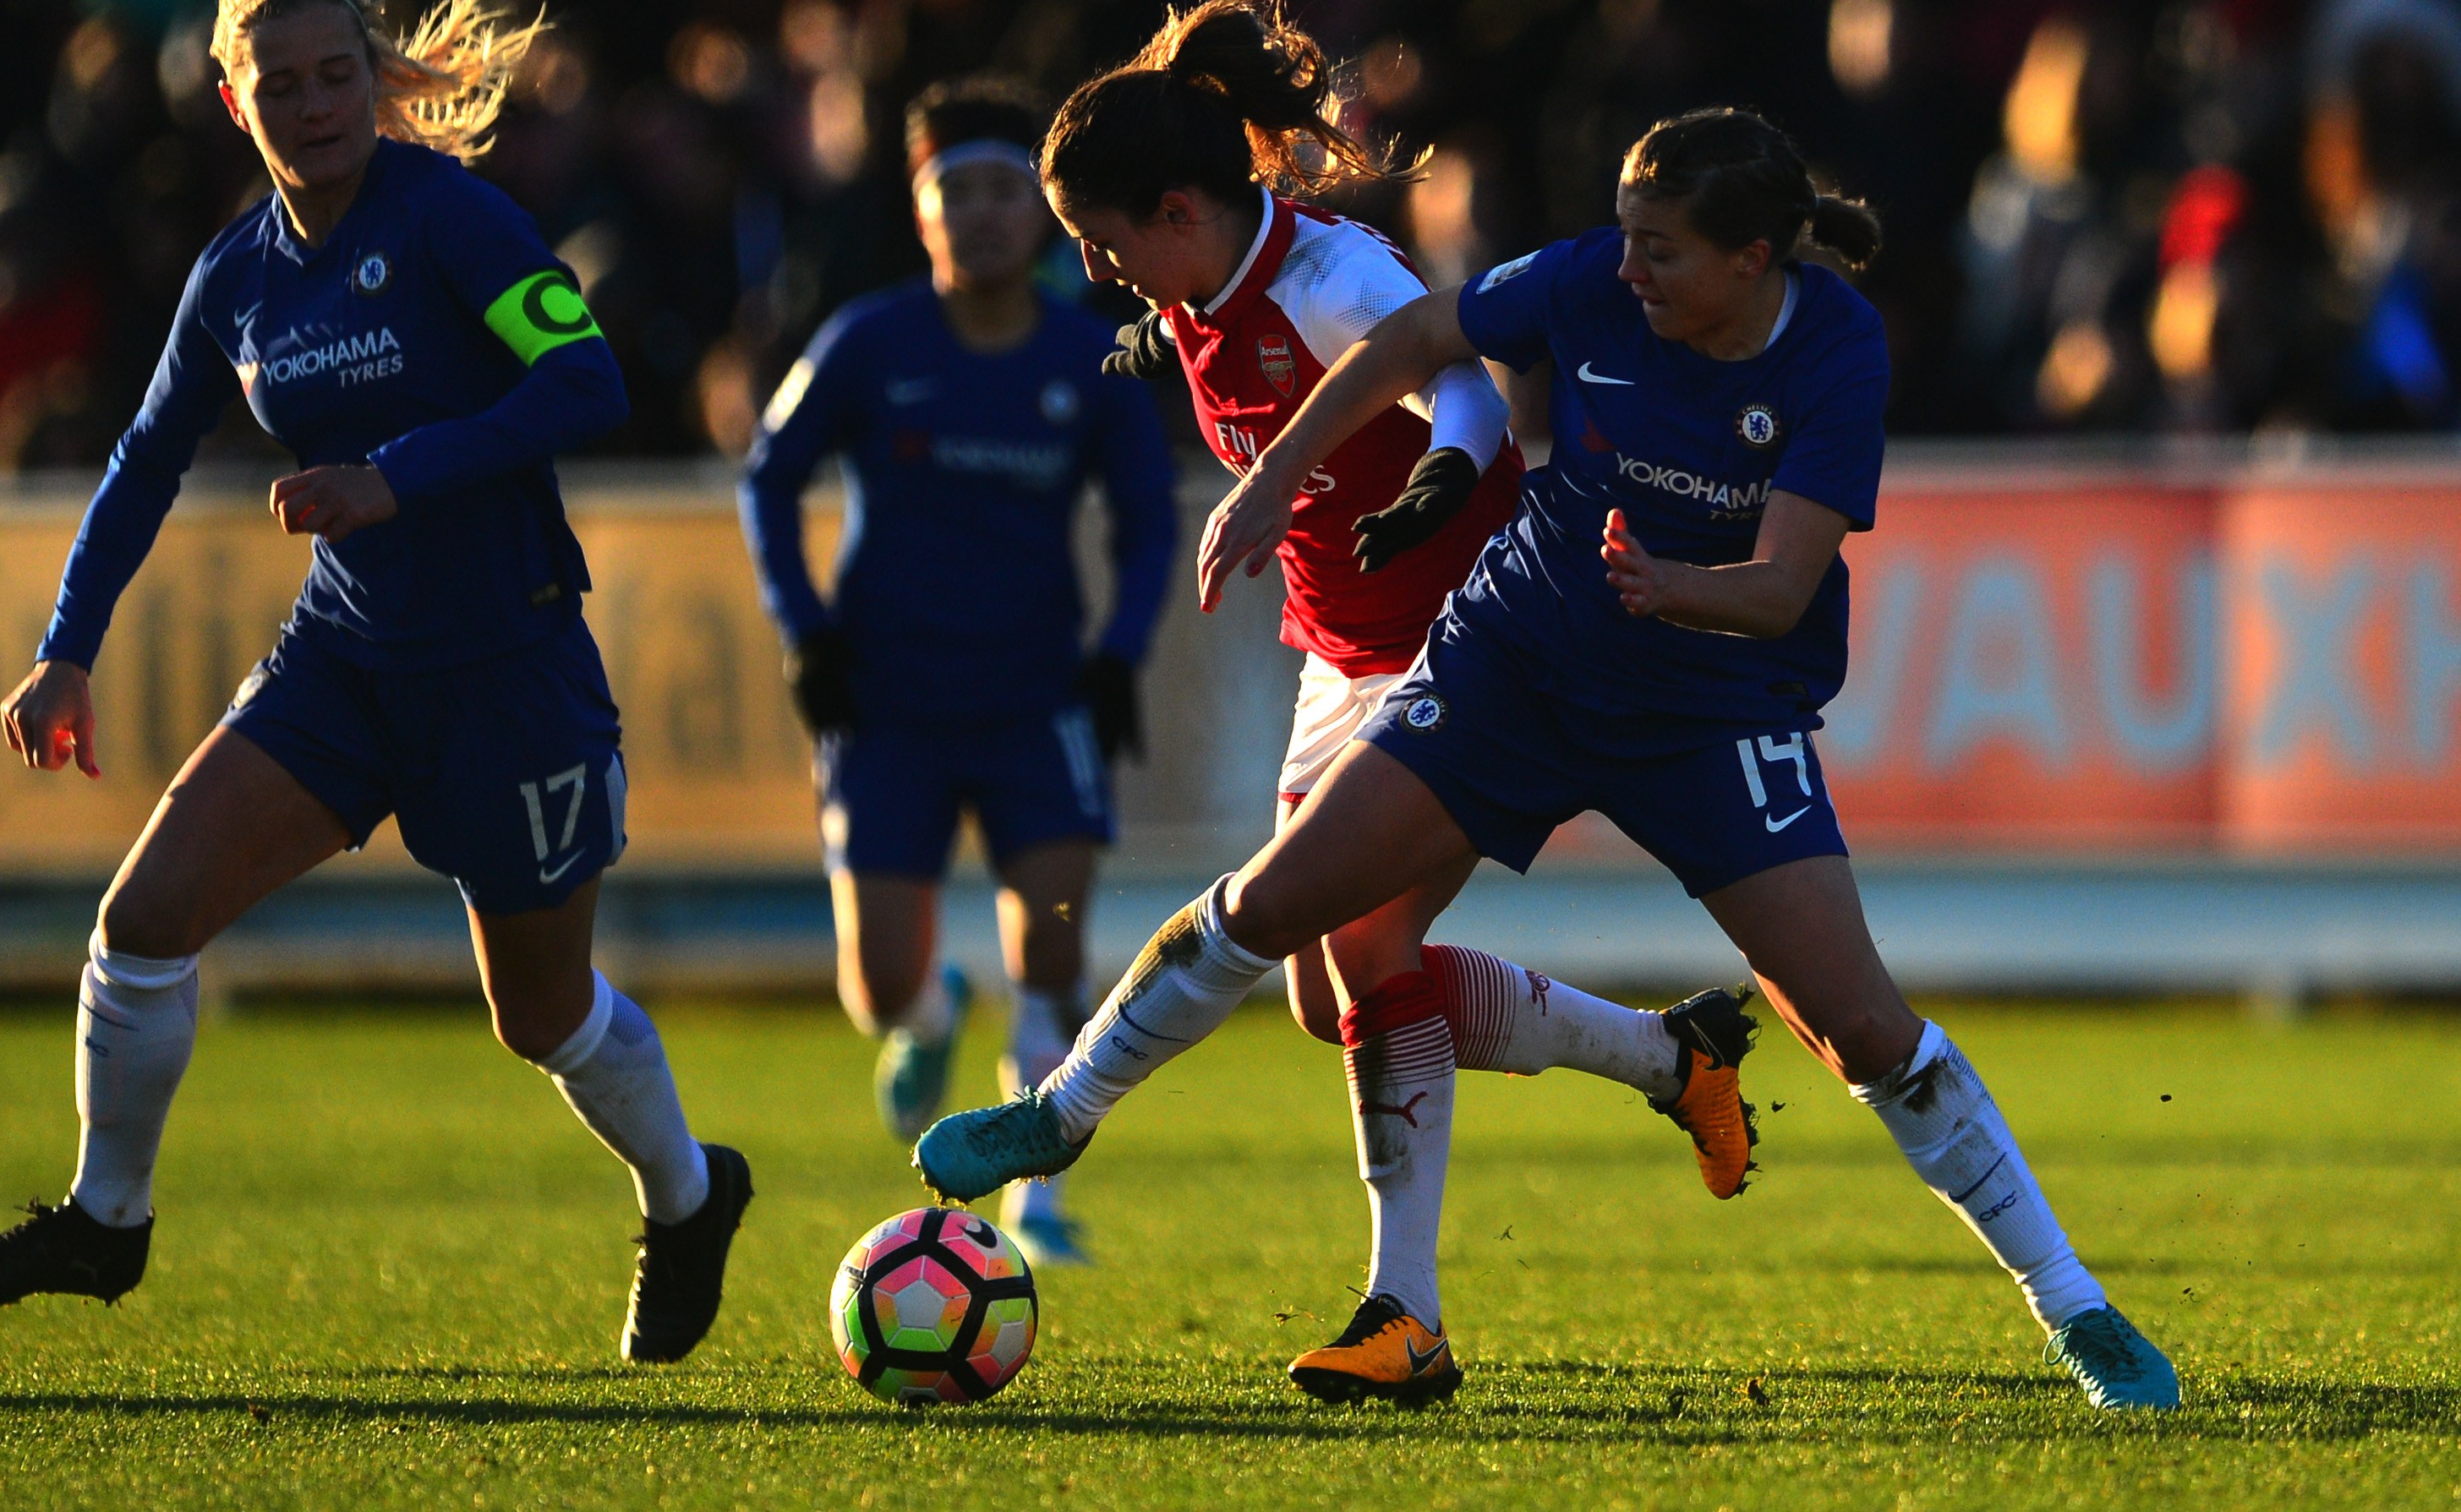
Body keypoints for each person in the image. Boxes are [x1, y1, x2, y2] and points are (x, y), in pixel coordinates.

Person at [920, 106, 2184, 1414]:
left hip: (1708, 701)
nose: (1626, 270)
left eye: (1662, 254)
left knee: (1860, 1024)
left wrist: (1664, 580)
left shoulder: (1836, 349)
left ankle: (2077, 1309)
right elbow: (1422, 341)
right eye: (1627, 240)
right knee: (1294, 900)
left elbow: (1779, 586)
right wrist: (1279, 469)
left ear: (1752, 260)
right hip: (1512, 666)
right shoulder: (1592, 275)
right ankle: (1062, 1115)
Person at [926, 0, 1764, 1403]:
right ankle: (1667, 1058)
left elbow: (1471, 377)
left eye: (1105, 244)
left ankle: (1382, 1299)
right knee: (1337, 999)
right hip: (1342, 657)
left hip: (1473, 645)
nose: (1100, 273)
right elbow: (1224, 350)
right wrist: (1165, 334)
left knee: (1360, 949)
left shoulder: (1330, 279)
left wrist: (1446, 464)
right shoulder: (1202, 289)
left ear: (1179, 209)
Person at [0, 0, 751, 1364]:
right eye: (278, 85)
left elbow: (586, 378)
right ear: (234, 103)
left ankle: (689, 1192)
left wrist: (395, 477)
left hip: (508, 663)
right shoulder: (235, 274)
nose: (310, 106)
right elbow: (143, 459)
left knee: (538, 1013)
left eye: (332, 75)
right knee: (144, 918)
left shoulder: (455, 220)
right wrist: (67, 650)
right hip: (345, 657)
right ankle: (105, 1220)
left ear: (373, 76)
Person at [739, 78, 1178, 1265]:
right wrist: (807, 631)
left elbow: (1148, 521)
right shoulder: (869, 343)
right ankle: (929, 1019)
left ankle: (1038, 1199)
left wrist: (1119, 654)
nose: (982, 214)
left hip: (1037, 695)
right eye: (955, 191)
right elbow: (768, 480)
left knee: (1056, 946)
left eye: (1004, 190)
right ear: (921, 209)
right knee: (878, 982)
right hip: (887, 699)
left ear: (1041, 212)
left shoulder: (1098, 358)